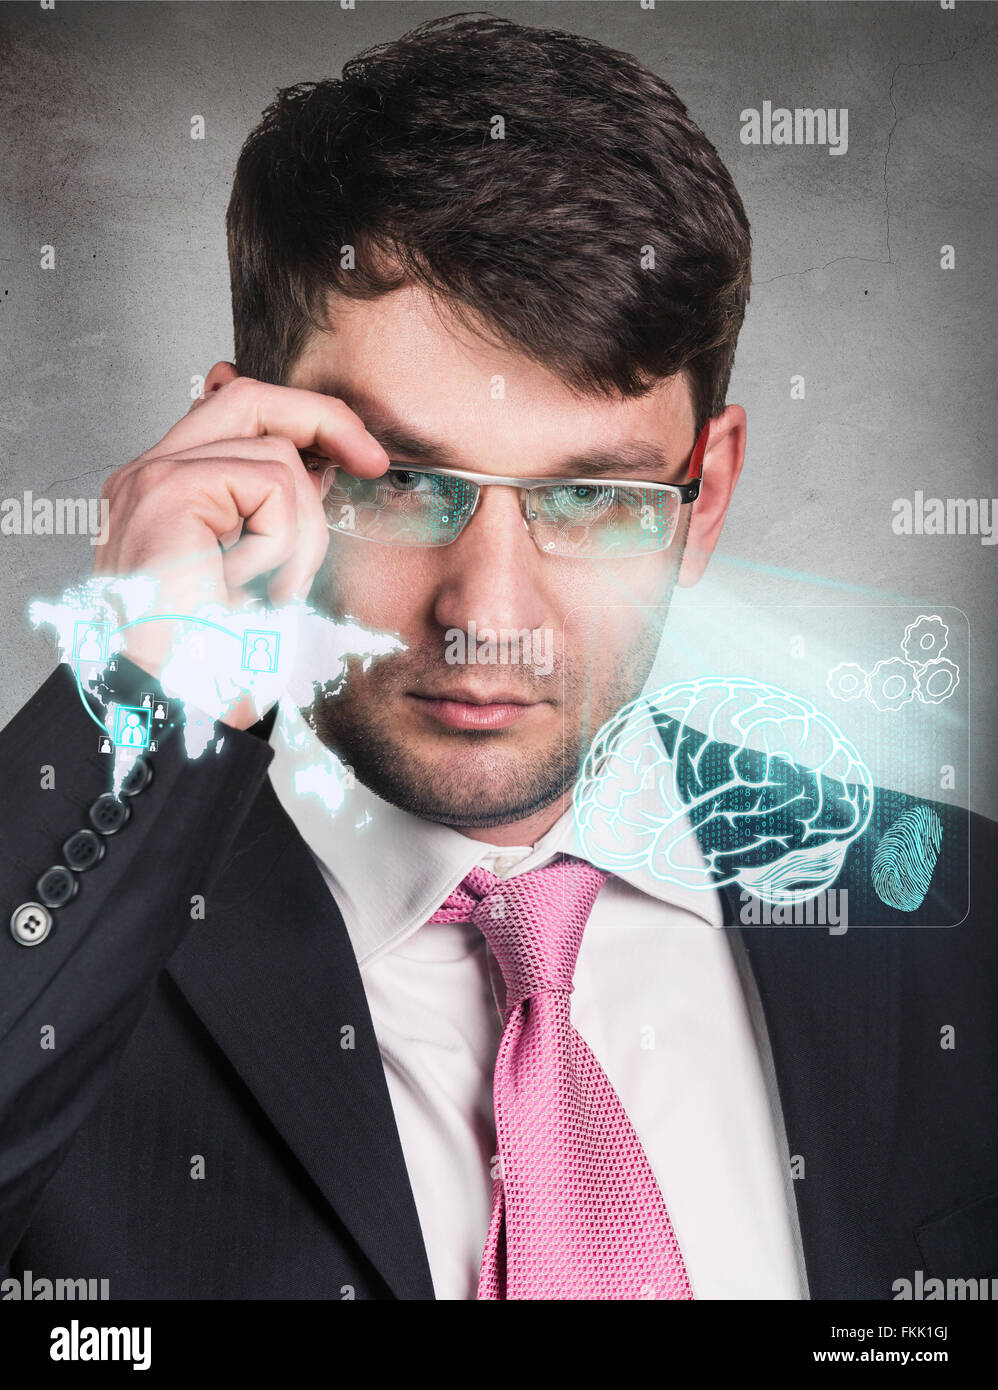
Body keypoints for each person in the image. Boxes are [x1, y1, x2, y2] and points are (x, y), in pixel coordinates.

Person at [1, 14, 994, 1303]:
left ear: (713, 494)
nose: (490, 613)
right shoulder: (72, 940)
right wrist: (137, 693)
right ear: (241, 449)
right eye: (404, 480)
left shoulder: (952, 925)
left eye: (595, 499)